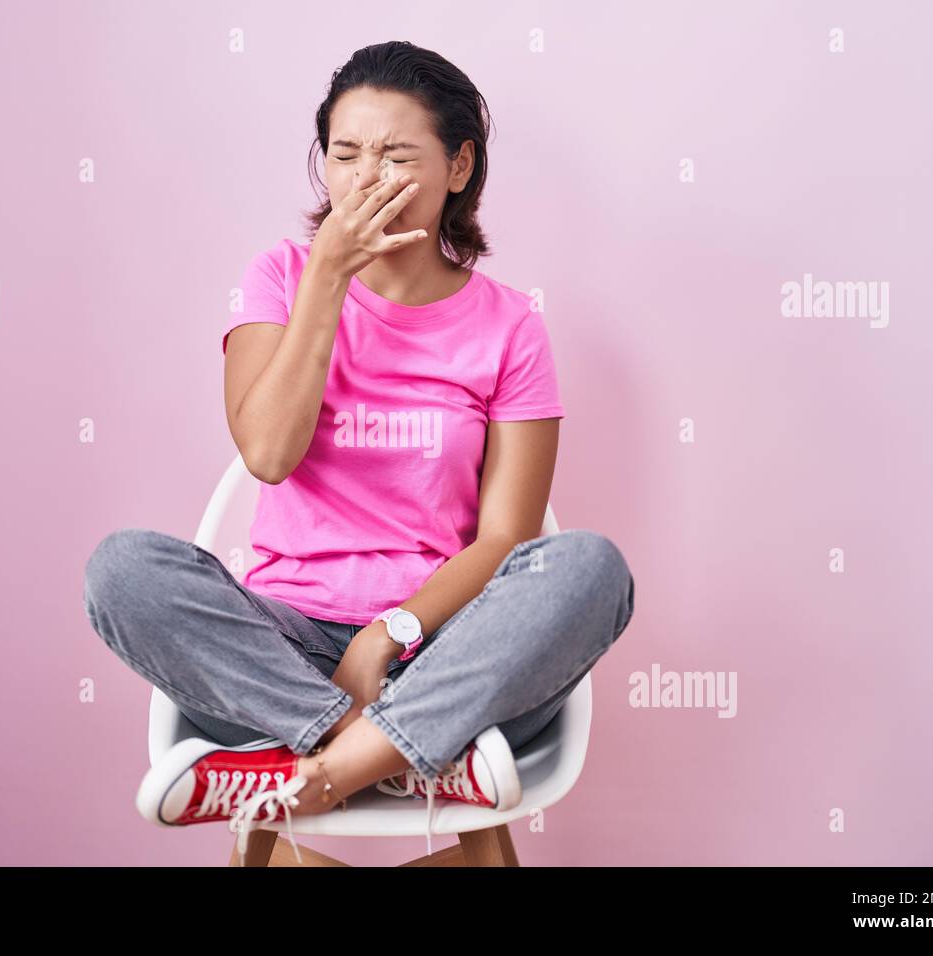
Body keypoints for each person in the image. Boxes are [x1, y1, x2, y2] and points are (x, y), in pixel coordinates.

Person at [83, 40, 635, 864]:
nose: (365, 176)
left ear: (458, 167)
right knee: (123, 569)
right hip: (282, 653)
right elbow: (269, 452)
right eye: (345, 154)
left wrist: (393, 631)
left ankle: (315, 767)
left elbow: (506, 541)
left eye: (396, 154)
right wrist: (328, 282)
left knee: (591, 568)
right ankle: (396, 754)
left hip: (446, 650)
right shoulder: (280, 277)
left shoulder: (510, 326)